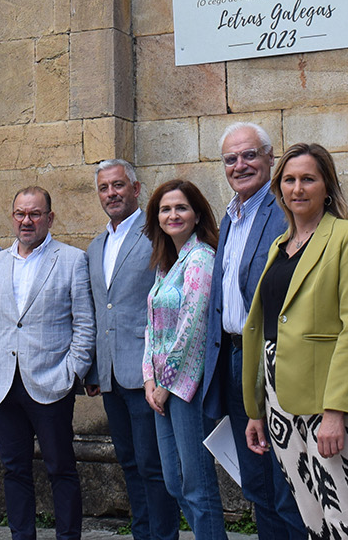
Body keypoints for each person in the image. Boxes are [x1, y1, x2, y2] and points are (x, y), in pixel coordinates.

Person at [243, 143, 348, 540]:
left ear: (327, 187)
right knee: (310, 512)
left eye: (308, 179)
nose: (297, 188)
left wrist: (336, 411)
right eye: (289, 180)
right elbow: (266, 325)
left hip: (324, 398)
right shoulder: (278, 247)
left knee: (347, 513)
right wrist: (256, 408)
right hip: (280, 402)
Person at [200, 122, 307, 540]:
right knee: (255, 480)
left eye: (249, 155)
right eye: (231, 159)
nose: (239, 165)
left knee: (285, 484)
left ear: (269, 157)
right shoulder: (231, 216)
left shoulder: (283, 209)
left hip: (272, 358)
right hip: (233, 359)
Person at [0, 187, 95, 540]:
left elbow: (84, 324)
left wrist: (72, 370)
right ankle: (21, 535)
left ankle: (68, 536)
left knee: (61, 468)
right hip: (4, 385)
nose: (27, 221)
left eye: (35, 214)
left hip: (52, 381)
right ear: (12, 217)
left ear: (50, 218)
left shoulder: (72, 259)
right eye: (20, 214)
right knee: (13, 469)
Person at [86, 160, 180, 540]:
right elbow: (98, 310)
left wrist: (163, 373)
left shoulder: (156, 233)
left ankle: (162, 535)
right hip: (110, 375)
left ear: (136, 188)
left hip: (147, 374)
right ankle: (143, 533)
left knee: (152, 465)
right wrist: (94, 370)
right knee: (128, 462)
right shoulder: (95, 246)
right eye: (105, 187)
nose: (112, 193)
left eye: (118, 185)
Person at [142, 179, 226, 540]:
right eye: (165, 209)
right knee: (175, 483)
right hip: (161, 389)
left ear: (196, 215)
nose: (172, 214)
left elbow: (193, 327)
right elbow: (152, 327)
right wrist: (149, 378)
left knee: (197, 485)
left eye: (181, 208)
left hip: (186, 388)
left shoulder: (201, 258)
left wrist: (165, 385)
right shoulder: (166, 264)